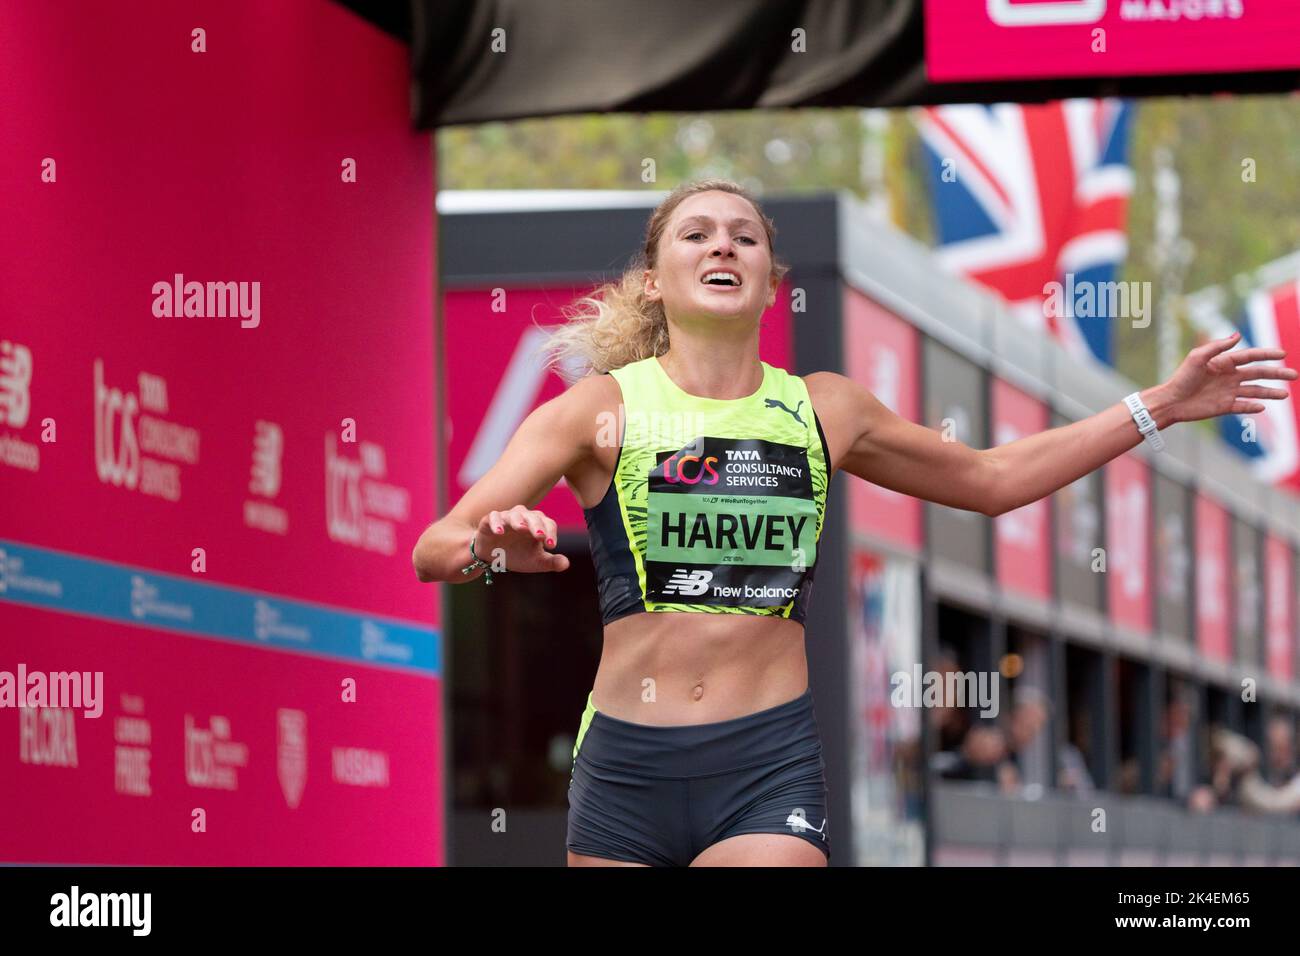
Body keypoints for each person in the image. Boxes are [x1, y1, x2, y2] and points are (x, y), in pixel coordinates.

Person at [410, 178, 1296, 867]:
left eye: (745, 237)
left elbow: (992, 479)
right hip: (626, 765)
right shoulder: (597, 409)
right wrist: (491, 552)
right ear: (654, 282)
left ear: (769, 283)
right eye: (698, 233)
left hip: (764, 761)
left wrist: (1159, 407)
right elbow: (435, 547)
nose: (724, 244)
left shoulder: (826, 410)